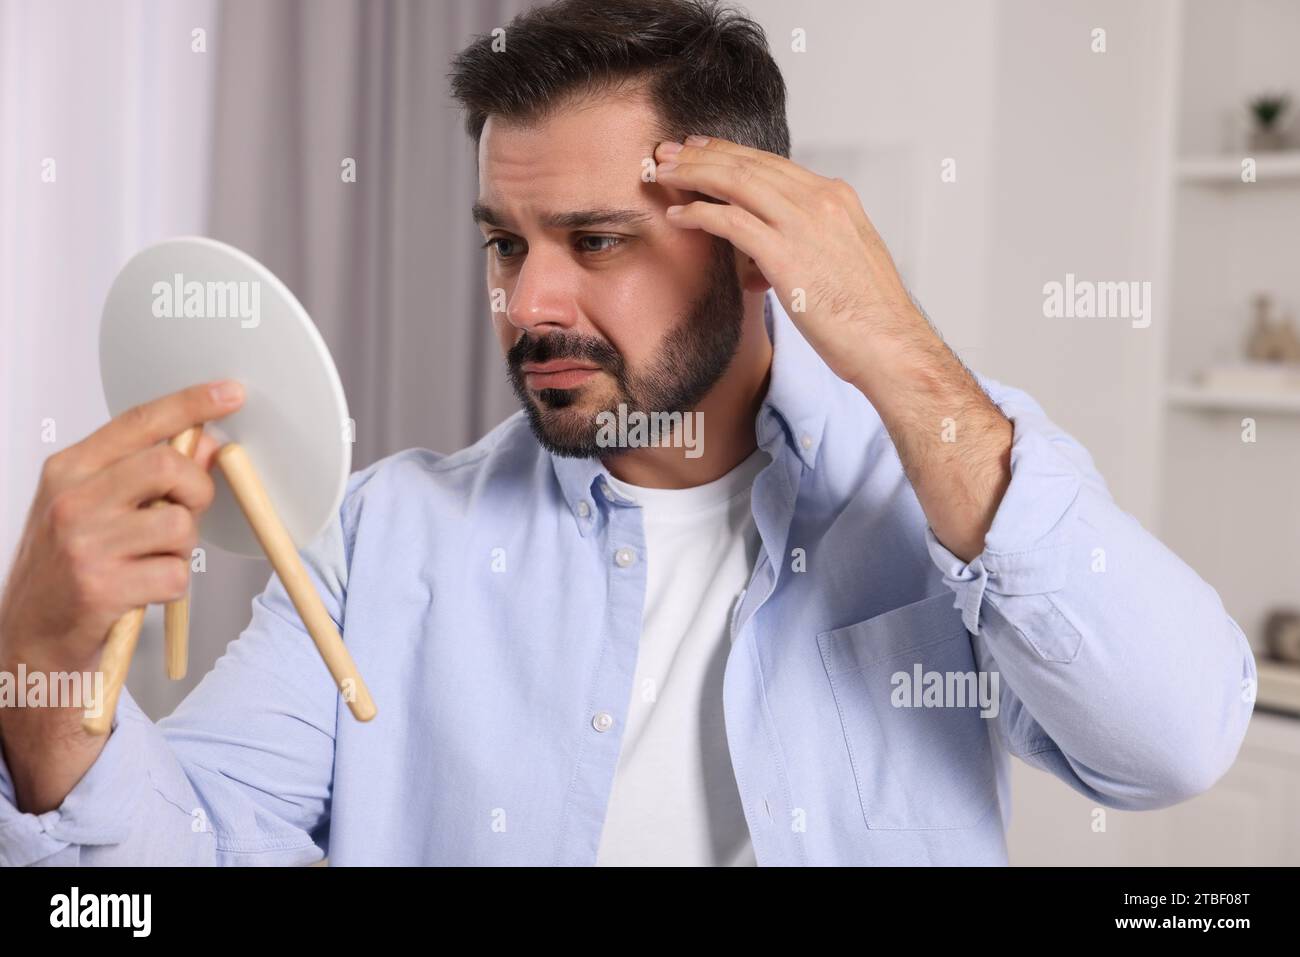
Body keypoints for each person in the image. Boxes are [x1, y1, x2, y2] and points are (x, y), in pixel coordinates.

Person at [0, 0, 1255, 866]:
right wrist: (42, 675)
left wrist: (899, 351)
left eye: (596, 241)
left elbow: (1172, 742)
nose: (527, 301)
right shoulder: (381, 540)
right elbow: (173, 866)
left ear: (751, 241)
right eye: (505, 242)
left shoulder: (944, 491)